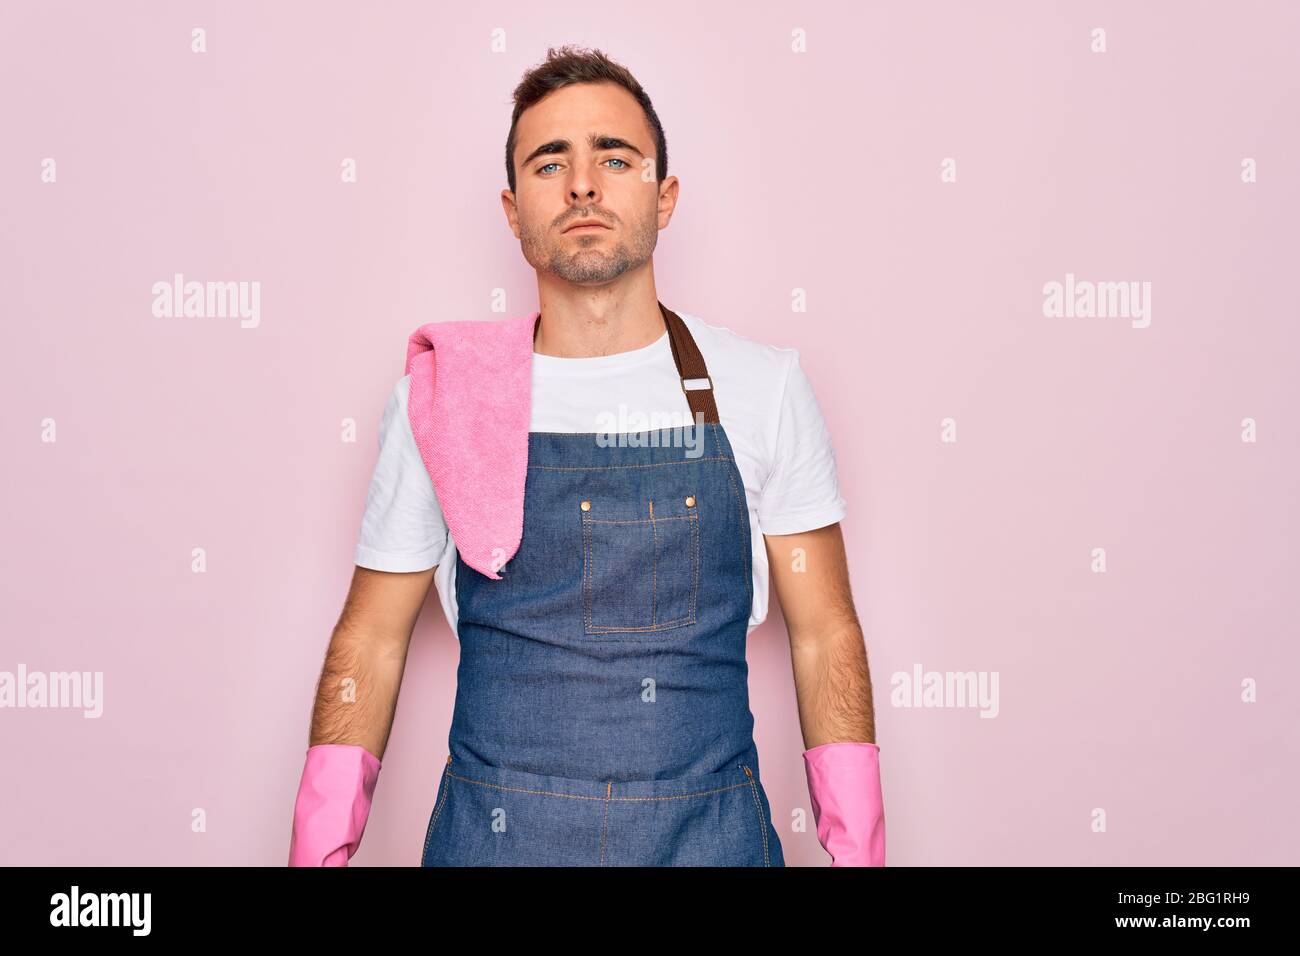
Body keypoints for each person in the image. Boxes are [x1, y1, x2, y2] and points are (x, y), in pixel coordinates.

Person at [288, 45, 884, 867]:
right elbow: (373, 640)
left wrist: (860, 855)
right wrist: (317, 854)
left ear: (664, 196)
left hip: (709, 845)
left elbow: (824, 633)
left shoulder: (764, 387)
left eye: (615, 156)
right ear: (513, 209)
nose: (581, 184)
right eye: (549, 162)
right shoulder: (443, 399)